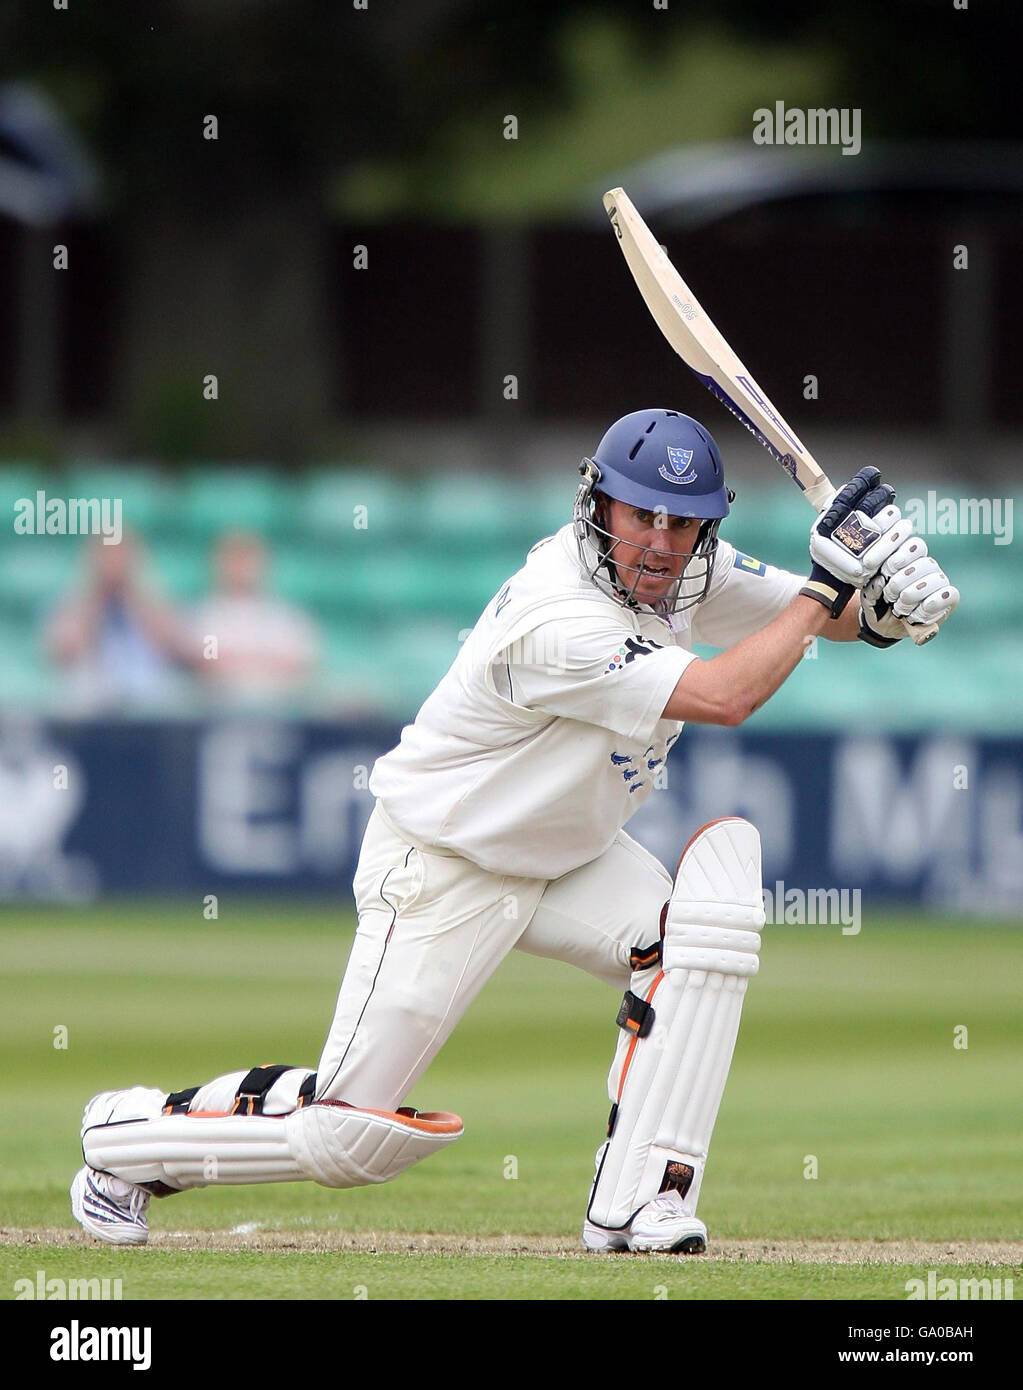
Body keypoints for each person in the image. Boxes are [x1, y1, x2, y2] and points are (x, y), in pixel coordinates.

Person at [70, 410, 958, 1253]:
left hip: (566, 857)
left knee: (698, 934)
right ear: (596, 504)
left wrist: (884, 606)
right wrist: (833, 577)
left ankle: (641, 1202)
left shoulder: (686, 572)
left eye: (679, 523)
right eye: (638, 513)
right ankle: (128, 1137)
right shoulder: (553, 616)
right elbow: (728, 694)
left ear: (703, 531)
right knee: (344, 1136)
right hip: (443, 861)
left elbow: (815, 617)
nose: (657, 538)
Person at [45, 531, 189, 713]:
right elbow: (64, 653)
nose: (113, 561)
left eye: (120, 554)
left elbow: (174, 649)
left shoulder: (154, 601)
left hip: (148, 699)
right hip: (92, 703)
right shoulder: (73, 603)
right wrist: (97, 597)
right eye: (106, 554)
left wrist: (132, 596)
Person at [190, 530, 320, 702]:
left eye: (248, 558)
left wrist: (236, 663)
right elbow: (205, 664)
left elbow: (299, 667)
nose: (241, 567)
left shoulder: (288, 619)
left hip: (280, 713)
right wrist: (262, 664)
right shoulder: (203, 616)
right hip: (217, 713)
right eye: (233, 558)